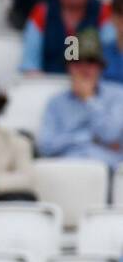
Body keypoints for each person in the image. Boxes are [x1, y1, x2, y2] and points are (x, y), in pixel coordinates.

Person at [37, 29, 123, 169]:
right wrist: (88, 138)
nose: (84, 68)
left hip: (107, 172)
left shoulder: (118, 95)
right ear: (68, 67)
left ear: (100, 66)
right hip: (66, 169)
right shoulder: (56, 103)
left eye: (90, 61)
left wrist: (89, 98)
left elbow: (110, 135)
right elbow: (45, 147)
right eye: (77, 61)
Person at [20, 0, 112, 75]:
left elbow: (110, 62)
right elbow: (30, 66)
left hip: (94, 88)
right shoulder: (42, 12)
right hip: (48, 87)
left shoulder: (104, 12)